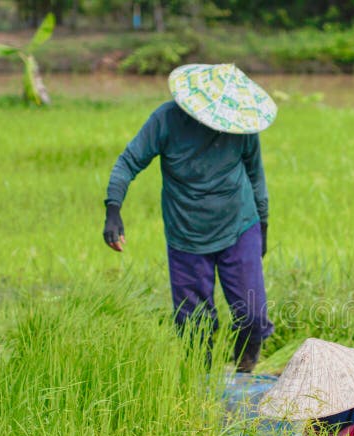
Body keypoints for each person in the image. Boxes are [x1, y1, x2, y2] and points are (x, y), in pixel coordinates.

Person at [102, 64, 277, 371]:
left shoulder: (241, 124)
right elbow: (129, 161)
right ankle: (201, 381)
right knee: (194, 323)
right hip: (186, 234)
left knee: (252, 314)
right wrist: (113, 209)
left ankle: (245, 369)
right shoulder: (166, 120)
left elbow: (256, 175)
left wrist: (262, 226)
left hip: (239, 225)